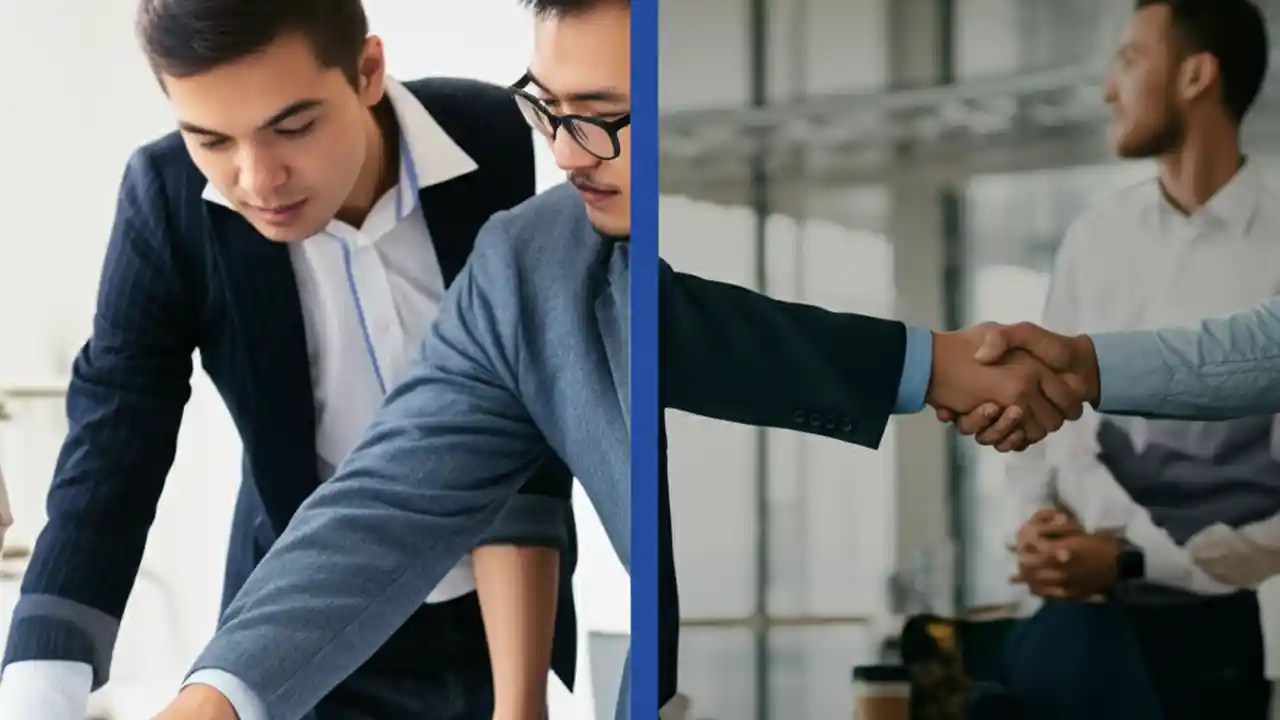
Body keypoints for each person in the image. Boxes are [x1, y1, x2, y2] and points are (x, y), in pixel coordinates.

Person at [142, 0, 1092, 716]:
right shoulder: (529, 261)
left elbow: (707, 326)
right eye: (547, 108)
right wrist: (215, 699)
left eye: (600, 115)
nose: (564, 152)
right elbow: (386, 499)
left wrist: (937, 365)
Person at [0, 1, 579, 719]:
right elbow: (114, 447)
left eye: (294, 127)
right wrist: (36, 699)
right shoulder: (167, 199)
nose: (257, 179)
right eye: (210, 139)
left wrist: (520, 702)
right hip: (300, 617)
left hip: (499, 616)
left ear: (368, 71)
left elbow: (514, 424)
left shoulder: (490, 138)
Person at [992, 2, 1279, 717]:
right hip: (1074, 631)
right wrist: (1035, 524)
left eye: (1128, 59)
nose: (1108, 90)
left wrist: (1136, 560)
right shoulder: (1097, 235)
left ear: (1195, 73)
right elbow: (1041, 416)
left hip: (1216, 644)